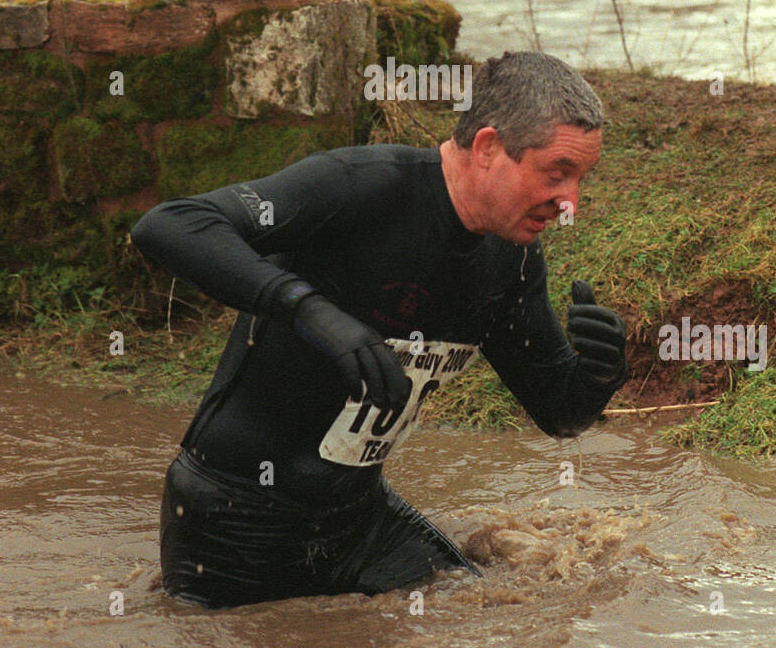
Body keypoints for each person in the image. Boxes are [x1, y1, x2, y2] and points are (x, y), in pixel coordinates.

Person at [129, 51, 629, 608]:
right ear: (488, 147)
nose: (570, 204)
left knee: (476, 617)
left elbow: (560, 414)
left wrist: (598, 374)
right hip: (233, 516)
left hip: (358, 521)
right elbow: (170, 225)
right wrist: (311, 312)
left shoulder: (509, 262)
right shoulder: (360, 186)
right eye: (557, 174)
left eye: (581, 180)